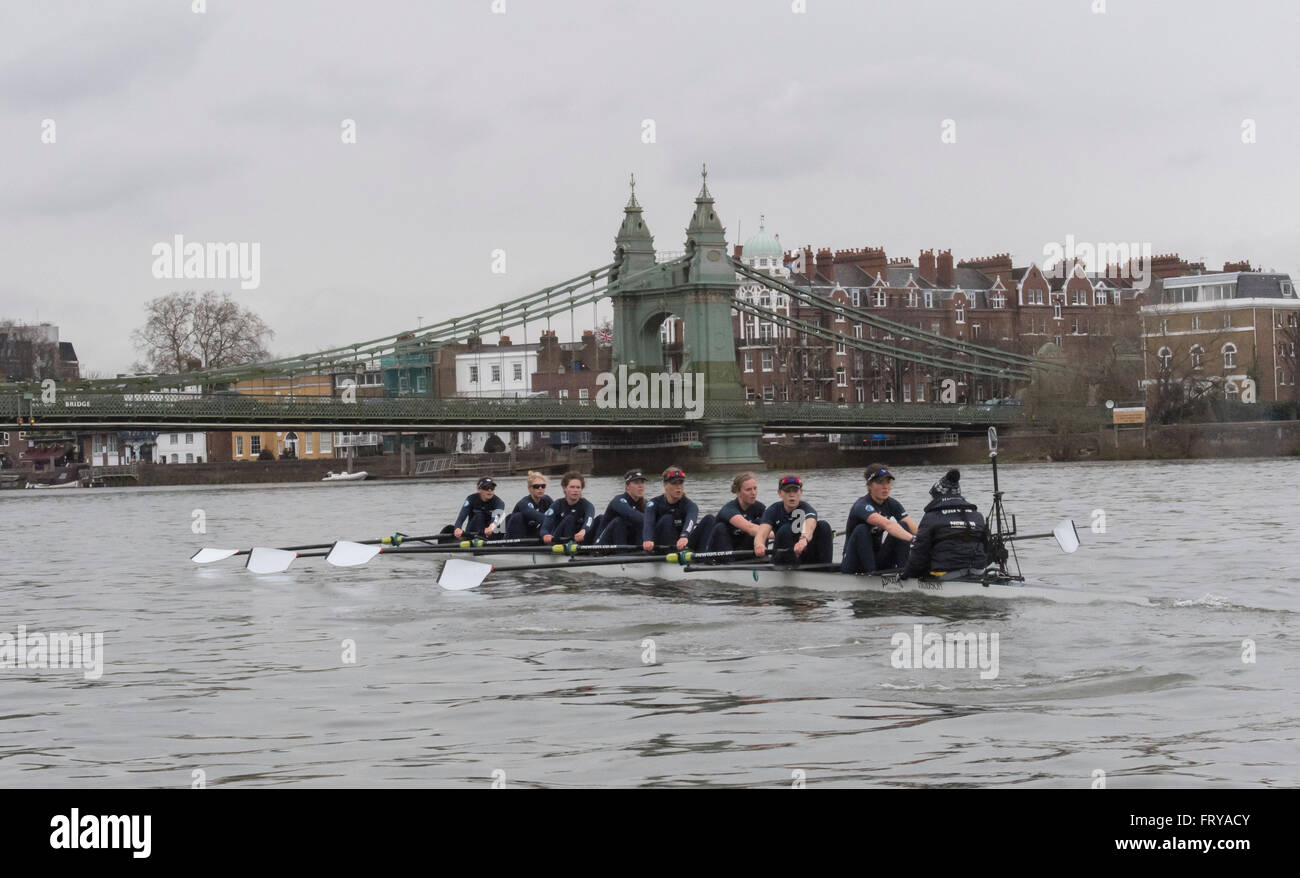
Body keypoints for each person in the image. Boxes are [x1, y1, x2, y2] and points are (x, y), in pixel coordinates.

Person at [902, 469, 989, 579]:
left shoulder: (932, 516)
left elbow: (919, 553)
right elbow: (986, 548)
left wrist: (906, 576)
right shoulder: (977, 516)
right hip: (979, 571)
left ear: (937, 496)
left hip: (946, 574)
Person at [841, 463, 919, 575]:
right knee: (861, 529)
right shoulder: (861, 505)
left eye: (888, 482)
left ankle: (906, 573)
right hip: (853, 563)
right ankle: (872, 575)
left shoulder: (892, 504)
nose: (885, 487)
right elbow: (888, 525)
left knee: (903, 526)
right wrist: (913, 539)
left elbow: (914, 528)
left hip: (876, 559)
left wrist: (930, 540)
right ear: (869, 485)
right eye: (880, 482)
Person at [755, 475, 834, 566]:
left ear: (800, 492)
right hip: (782, 559)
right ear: (780, 493)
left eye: (795, 491)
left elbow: (810, 523)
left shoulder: (806, 508)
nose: (792, 494)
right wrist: (759, 544)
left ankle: (825, 569)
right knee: (786, 529)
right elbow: (762, 532)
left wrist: (803, 539)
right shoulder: (773, 510)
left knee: (824, 525)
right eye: (787, 491)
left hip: (803, 553)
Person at [642, 467, 712, 552]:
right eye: (674, 483)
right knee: (667, 518)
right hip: (661, 545)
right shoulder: (653, 504)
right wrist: (647, 539)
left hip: (682, 543)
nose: (678, 487)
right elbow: (648, 523)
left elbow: (691, 520)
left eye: (681, 483)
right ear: (665, 485)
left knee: (709, 519)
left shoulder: (690, 505)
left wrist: (684, 536)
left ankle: (702, 557)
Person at [704, 472, 767, 555]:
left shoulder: (759, 507)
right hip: (722, 550)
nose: (753, 493)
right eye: (748, 489)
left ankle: (760, 556)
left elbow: (772, 525)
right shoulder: (729, 509)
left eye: (755, 488)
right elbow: (750, 529)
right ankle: (727, 563)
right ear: (738, 492)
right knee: (720, 527)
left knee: (762, 524)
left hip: (742, 550)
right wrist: (774, 533)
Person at [540, 471, 598, 545]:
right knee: (569, 519)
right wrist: (545, 535)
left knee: (600, 518)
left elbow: (589, 520)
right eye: (572, 487)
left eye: (578, 487)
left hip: (579, 539)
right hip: (559, 541)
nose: (575, 490)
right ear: (565, 488)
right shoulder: (557, 504)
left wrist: (584, 530)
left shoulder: (588, 505)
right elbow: (545, 527)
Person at [595, 469, 649, 545]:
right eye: (636, 483)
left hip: (625, 542)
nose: (640, 486)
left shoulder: (644, 503)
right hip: (602, 544)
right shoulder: (618, 501)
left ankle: (642, 550)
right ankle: (623, 553)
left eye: (642, 482)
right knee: (619, 521)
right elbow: (631, 514)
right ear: (627, 487)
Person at [503, 471, 553, 540]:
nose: (540, 488)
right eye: (536, 486)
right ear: (530, 488)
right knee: (518, 516)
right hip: (516, 537)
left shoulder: (547, 500)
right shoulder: (524, 502)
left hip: (533, 535)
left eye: (543, 486)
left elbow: (557, 513)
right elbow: (534, 515)